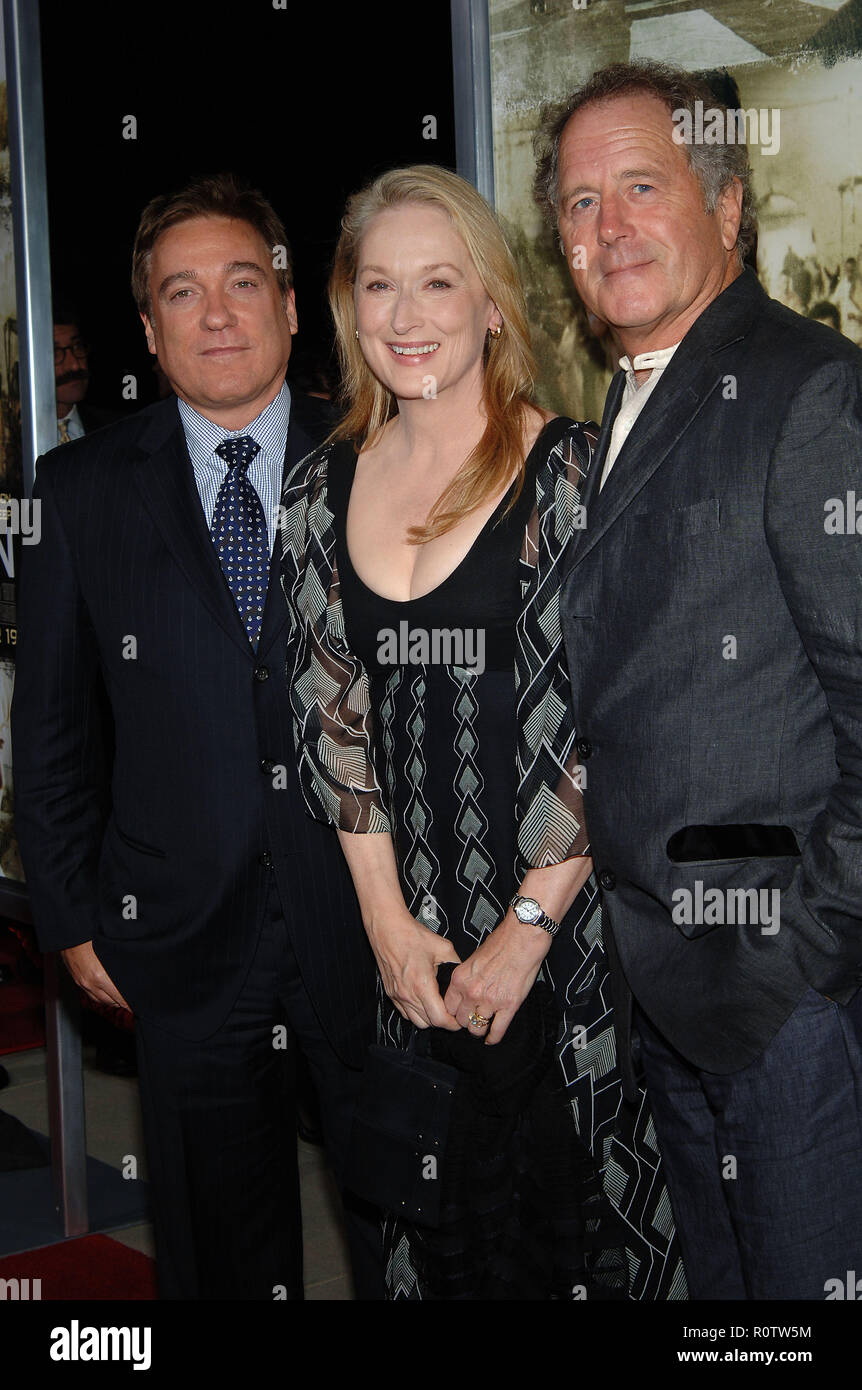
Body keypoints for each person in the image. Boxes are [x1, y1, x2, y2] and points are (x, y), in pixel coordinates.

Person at [279, 164, 683, 1300]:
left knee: (569, 1240)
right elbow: (334, 726)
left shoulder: (569, 474)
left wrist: (525, 927)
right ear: (348, 304)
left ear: (493, 304)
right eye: (378, 285)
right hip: (409, 952)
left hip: (567, 946)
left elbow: (611, 722)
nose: (405, 317)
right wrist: (388, 929)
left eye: (438, 283)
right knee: (434, 1247)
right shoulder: (319, 487)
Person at [13, 173, 382, 1300]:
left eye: (240, 282)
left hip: (366, 929)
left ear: (287, 301)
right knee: (221, 1251)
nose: (216, 314)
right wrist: (72, 915)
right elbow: (54, 728)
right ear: (149, 329)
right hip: (177, 937)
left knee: (400, 1227)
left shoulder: (382, 458)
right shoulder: (77, 492)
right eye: (183, 293)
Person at [534, 59, 862, 1299]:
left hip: (783, 1005)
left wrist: (803, 958)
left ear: (724, 205)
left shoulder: (807, 390)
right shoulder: (623, 400)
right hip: (662, 985)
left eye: (639, 186)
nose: (606, 227)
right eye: (575, 203)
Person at [52, 299, 120, 442]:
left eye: (77, 346)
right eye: (56, 352)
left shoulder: (115, 429)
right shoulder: (13, 438)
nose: (74, 365)